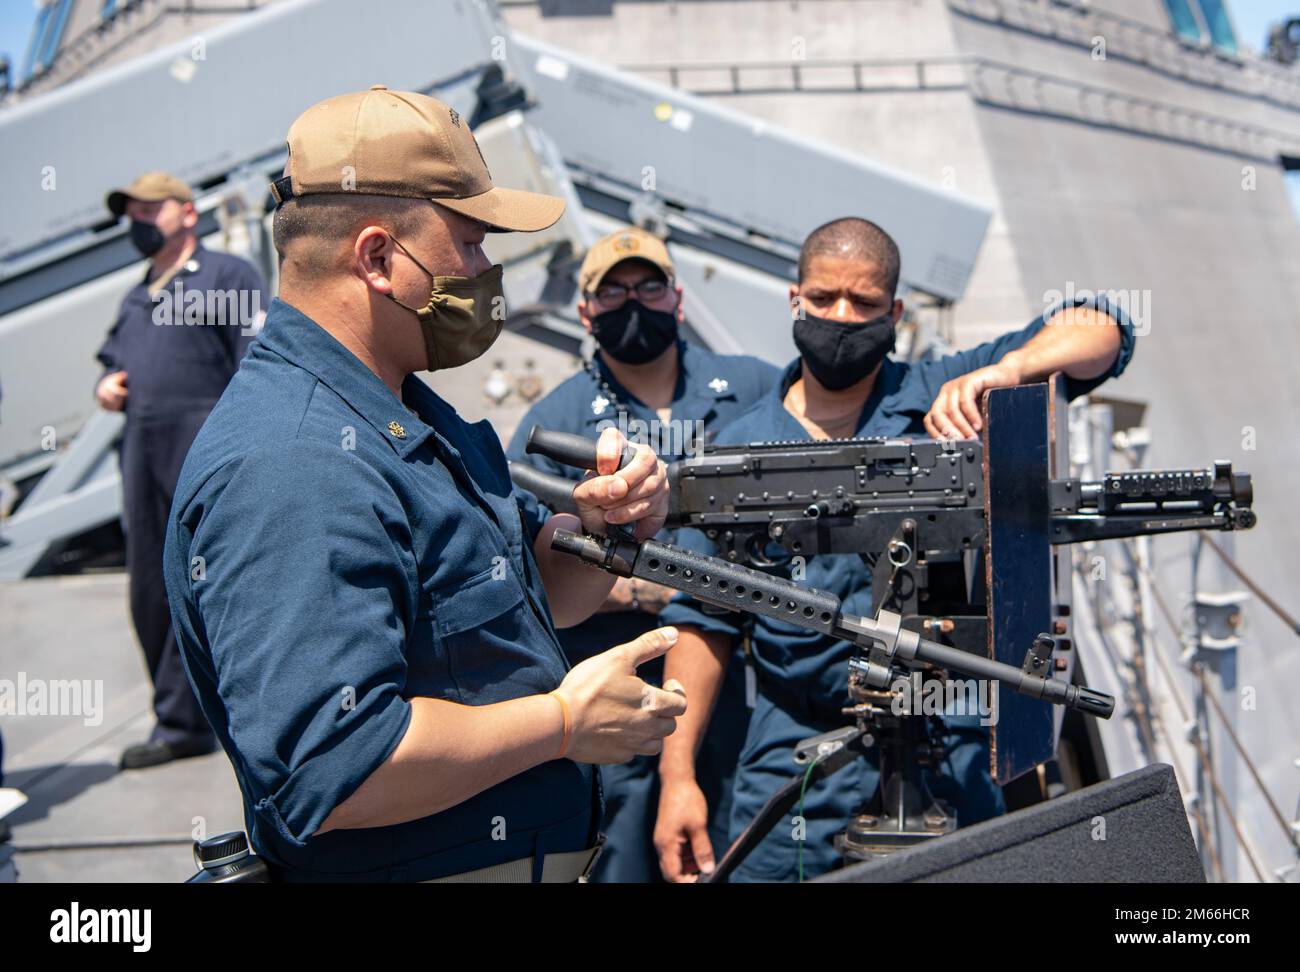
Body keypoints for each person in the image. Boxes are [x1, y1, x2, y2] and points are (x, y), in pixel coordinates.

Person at [162, 85, 684, 882]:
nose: (485, 271)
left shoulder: (395, 406)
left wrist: (598, 527)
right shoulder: (295, 463)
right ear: (376, 259)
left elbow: (510, 619)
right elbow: (336, 766)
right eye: (469, 245)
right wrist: (563, 724)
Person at [654, 217, 1137, 882]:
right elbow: (701, 619)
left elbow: (1106, 328)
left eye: (865, 303)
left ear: (897, 312)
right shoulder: (739, 451)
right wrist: (678, 778)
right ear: (794, 298)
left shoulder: (948, 392)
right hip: (797, 754)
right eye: (823, 300)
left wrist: (1011, 369)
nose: (842, 318)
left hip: (944, 745)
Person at [506, 227, 779, 881]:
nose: (634, 302)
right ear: (585, 311)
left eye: (649, 286)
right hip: (614, 699)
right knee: (624, 858)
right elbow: (527, 567)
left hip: (740, 692)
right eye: (614, 291)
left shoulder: (754, 388)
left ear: (678, 299)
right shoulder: (555, 421)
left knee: (737, 851)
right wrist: (648, 589)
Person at [96, 171, 266, 770]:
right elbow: (114, 360)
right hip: (143, 450)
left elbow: (254, 368)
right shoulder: (139, 290)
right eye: (132, 214)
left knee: (226, 582)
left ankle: (255, 712)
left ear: (187, 213)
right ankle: (179, 721)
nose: (138, 224)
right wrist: (108, 386)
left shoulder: (227, 277)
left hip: (204, 450)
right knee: (151, 584)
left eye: (150, 210)